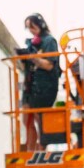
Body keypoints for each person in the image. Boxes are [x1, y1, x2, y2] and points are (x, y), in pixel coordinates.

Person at [15, 13, 61, 151]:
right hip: (30, 86)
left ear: (40, 25)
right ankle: (31, 150)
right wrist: (24, 57)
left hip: (44, 87)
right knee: (26, 119)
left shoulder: (49, 41)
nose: (31, 30)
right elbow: (27, 65)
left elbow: (49, 65)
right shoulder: (32, 43)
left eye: (32, 27)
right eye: (28, 28)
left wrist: (33, 58)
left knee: (39, 119)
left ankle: (41, 150)